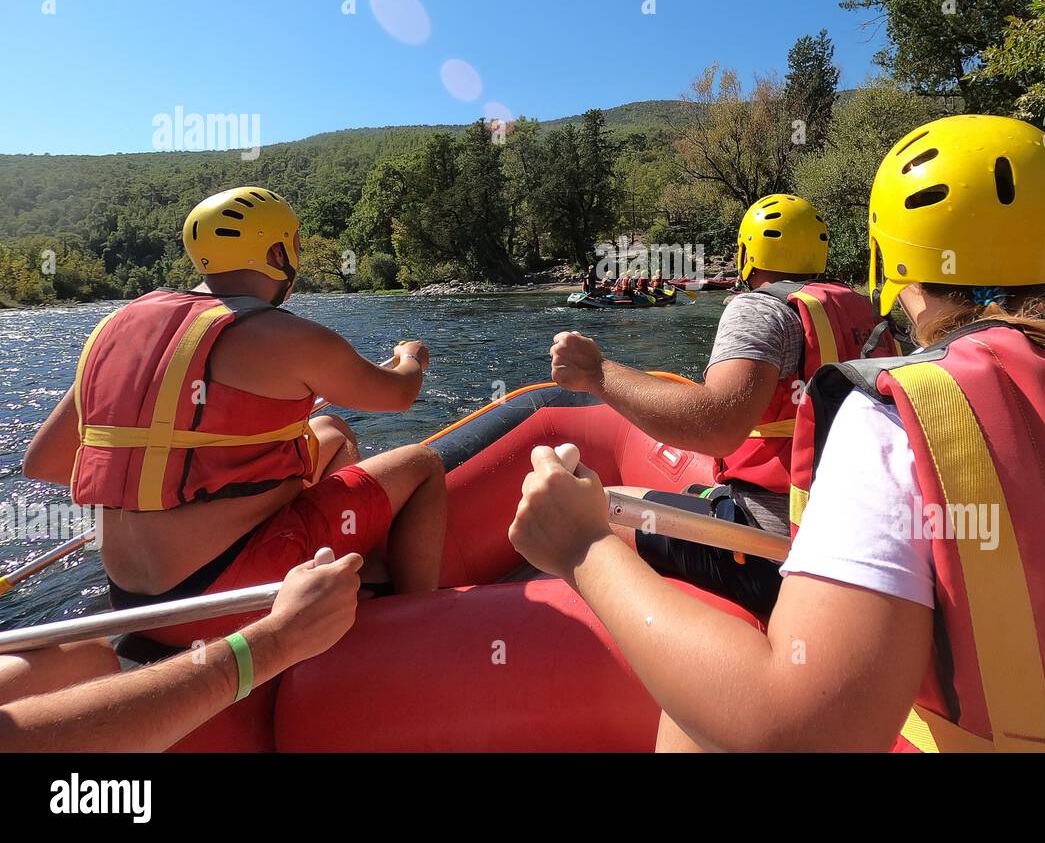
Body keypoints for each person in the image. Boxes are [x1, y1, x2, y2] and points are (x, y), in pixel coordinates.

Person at [513, 115, 1045, 752]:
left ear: (895, 255)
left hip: (769, 535)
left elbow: (796, 728)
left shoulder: (891, 416)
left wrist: (583, 546)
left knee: (695, 715)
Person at [22, 187, 446, 650]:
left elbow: (44, 463)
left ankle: (341, 553)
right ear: (279, 253)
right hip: (228, 595)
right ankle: (416, 631)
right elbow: (399, 394)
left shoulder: (115, 329)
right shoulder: (286, 336)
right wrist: (410, 357)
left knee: (330, 429)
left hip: (133, 602)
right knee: (423, 463)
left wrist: (195, 481)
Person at [548, 194, 893, 617]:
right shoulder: (860, 307)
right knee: (660, 495)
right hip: (857, 535)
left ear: (747, 252)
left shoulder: (761, 308)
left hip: (776, 551)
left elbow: (716, 428)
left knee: (590, 506)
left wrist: (595, 373)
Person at [0, 548, 362, 752]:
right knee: (416, 464)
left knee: (79, 654)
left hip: (139, 588)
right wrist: (279, 639)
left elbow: (42, 464)